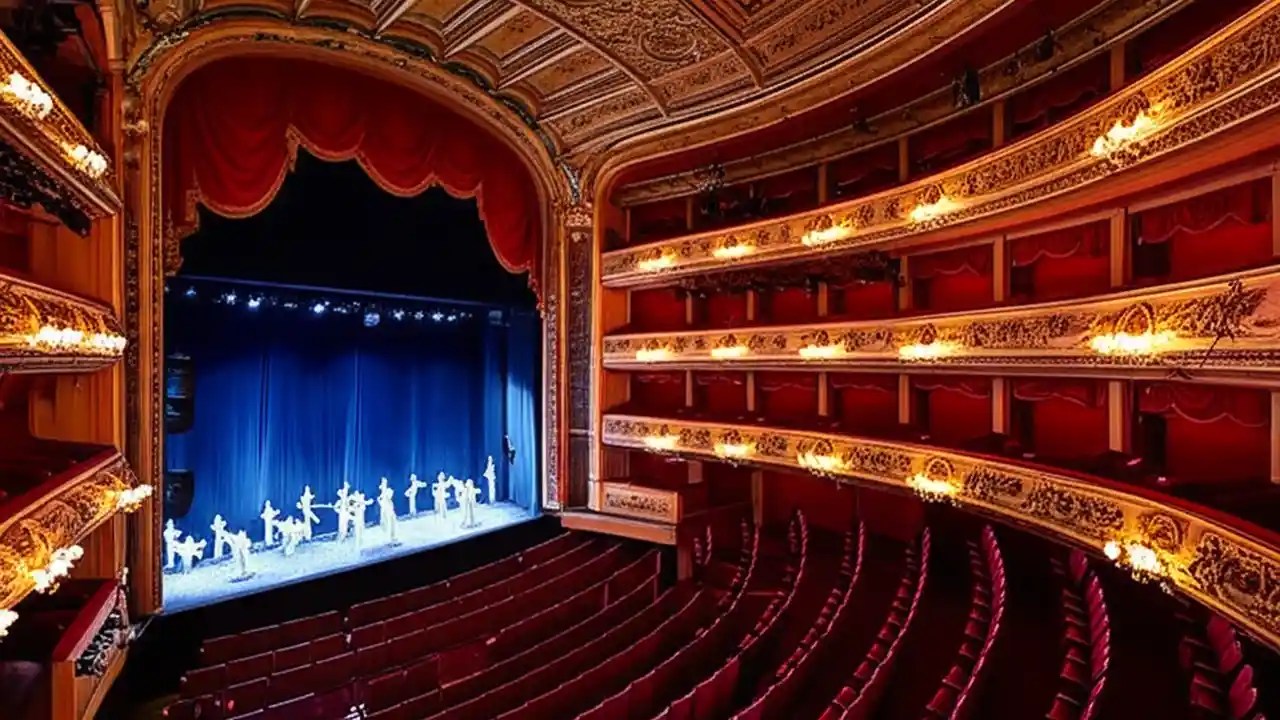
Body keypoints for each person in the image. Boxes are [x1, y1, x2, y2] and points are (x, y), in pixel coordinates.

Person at [377, 477, 398, 544]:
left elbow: (388, 497)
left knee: (392, 523)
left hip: (389, 510)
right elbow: (382, 504)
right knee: (388, 524)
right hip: (386, 511)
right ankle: (389, 538)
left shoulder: (388, 492)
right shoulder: (383, 496)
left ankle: (393, 537)